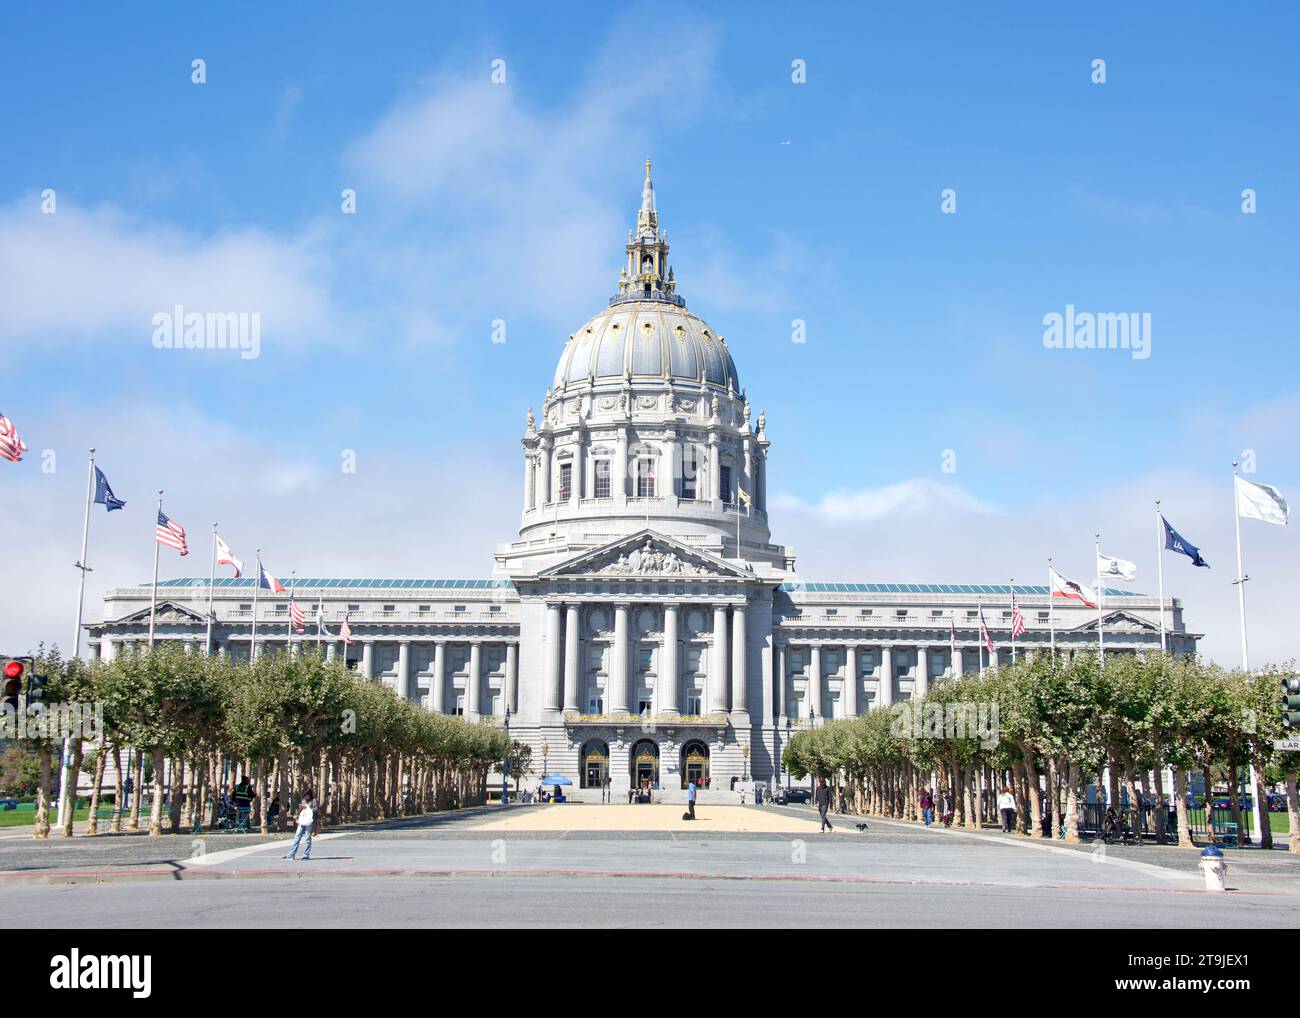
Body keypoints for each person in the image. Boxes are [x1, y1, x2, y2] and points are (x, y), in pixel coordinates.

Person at [283, 792, 315, 861]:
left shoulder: (313, 801)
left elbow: (316, 810)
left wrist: (308, 807)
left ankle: (306, 855)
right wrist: (297, 816)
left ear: (310, 796)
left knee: (307, 839)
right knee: (297, 837)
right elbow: (300, 810)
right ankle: (291, 854)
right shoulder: (303, 801)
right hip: (302, 821)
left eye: (307, 796)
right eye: (304, 796)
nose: (305, 797)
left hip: (309, 822)